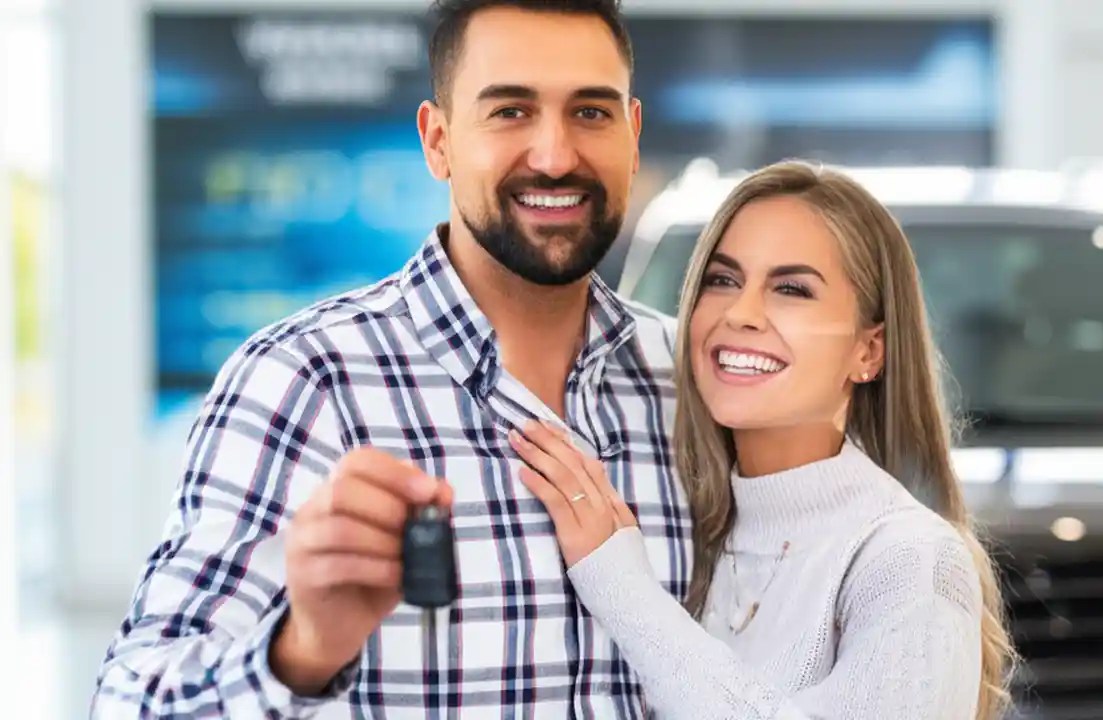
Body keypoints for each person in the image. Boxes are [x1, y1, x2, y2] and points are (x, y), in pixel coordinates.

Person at [91, 1, 692, 717]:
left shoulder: (692, 382)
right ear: (438, 141)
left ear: (632, 135)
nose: (555, 156)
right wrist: (301, 650)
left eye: (590, 113)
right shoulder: (305, 381)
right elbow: (130, 702)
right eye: (510, 112)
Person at [510, 161, 1016, 719]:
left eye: (792, 289)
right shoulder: (688, 527)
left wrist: (621, 587)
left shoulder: (909, 560)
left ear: (868, 351)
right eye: (722, 280)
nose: (741, 313)